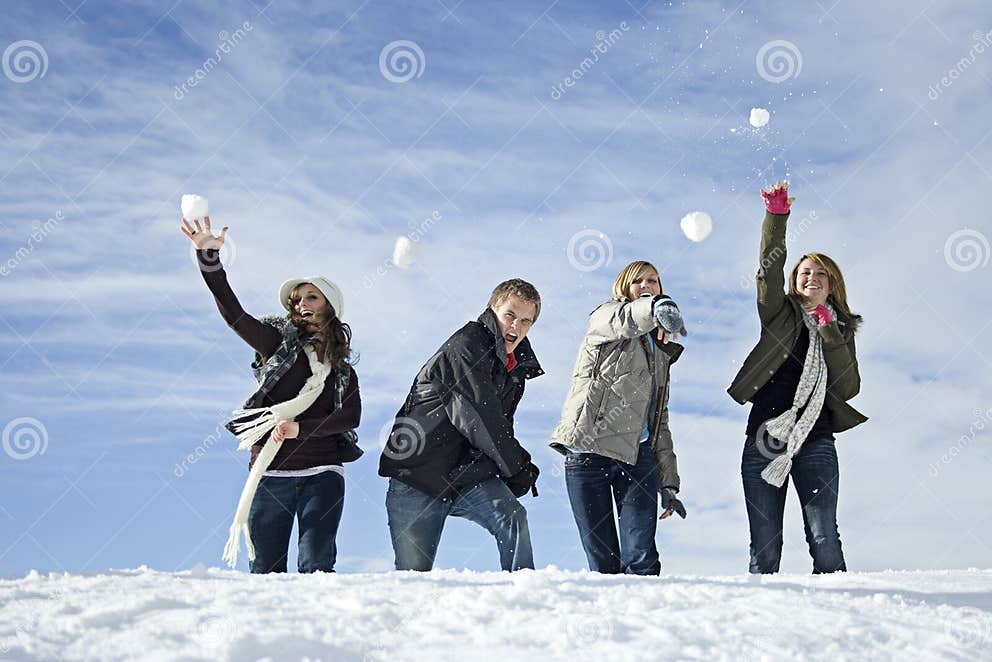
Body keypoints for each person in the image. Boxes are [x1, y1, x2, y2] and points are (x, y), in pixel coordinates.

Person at [181, 216, 362, 573]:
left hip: (323, 473)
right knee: (265, 570)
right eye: (297, 299)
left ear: (330, 307)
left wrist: (300, 429)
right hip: (271, 472)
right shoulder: (276, 345)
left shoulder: (342, 372)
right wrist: (209, 259)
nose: (301, 303)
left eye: (312, 296)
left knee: (316, 563)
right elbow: (235, 316)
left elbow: (349, 418)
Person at [728, 181, 866, 574]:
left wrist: (827, 329)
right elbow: (768, 271)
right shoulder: (779, 313)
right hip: (766, 437)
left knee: (824, 536)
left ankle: (838, 605)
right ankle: (762, 606)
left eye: (821, 273)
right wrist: (776, 217)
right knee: (765, 542)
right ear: (795, 280)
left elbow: (848, 387)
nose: (812, 277)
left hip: (816, 440)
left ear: (832, 284)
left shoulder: (840, 329)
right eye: (805, 272)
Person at [379, 279, 544, 572]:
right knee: (414, 577)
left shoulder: (514, 368)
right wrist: (518, 468)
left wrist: (513, 468)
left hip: (465, 476)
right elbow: (482, 419)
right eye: (509, 315)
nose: (515, 326)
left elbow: (500, 427)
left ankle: (524, 589)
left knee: (512, 517)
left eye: (525, 321)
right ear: (492, 309)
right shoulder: (467, 345)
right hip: (417, 476)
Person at [550, 261, 688, 575]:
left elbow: (659, 419)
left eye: (653, 281)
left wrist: (669, 483)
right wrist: (658, 305)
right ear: (624, 287)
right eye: (638, 280)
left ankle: (645, 608)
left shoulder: (660, 350)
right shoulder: (606, 317)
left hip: (637, 457)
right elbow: (626, 319)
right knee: (603, 565)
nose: (646, 285)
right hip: (589, 453)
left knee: (642, 558)